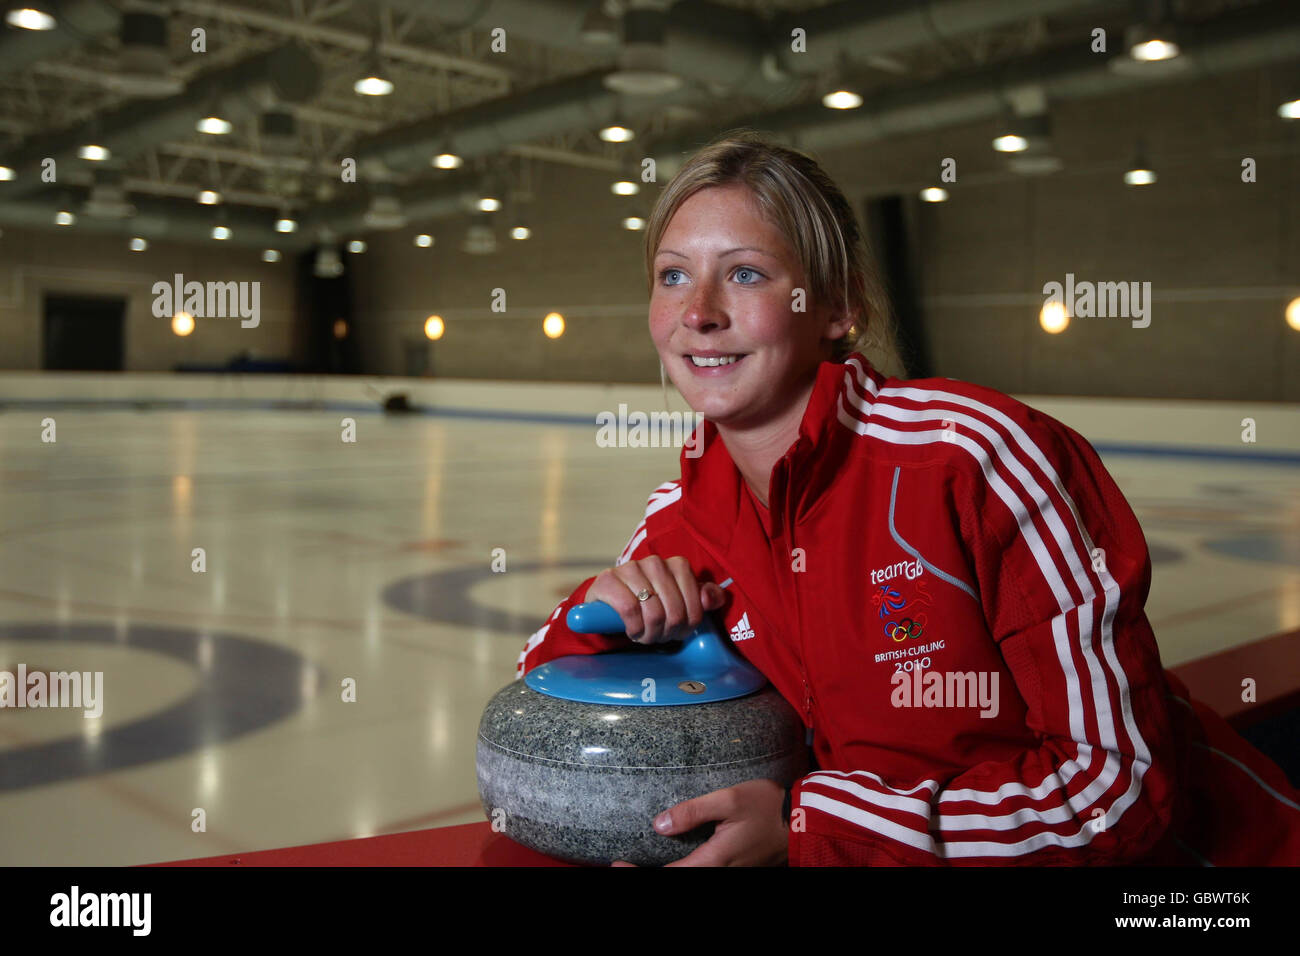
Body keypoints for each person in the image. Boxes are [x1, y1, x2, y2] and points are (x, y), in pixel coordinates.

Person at [516, 130, 1300, 866]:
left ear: (839, 308)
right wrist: (607, 607)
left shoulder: (975, 459)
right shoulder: (682, 520)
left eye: (746, 272)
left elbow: (1118, 794)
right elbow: (536, 687)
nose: (698, 314)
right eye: (673, 275)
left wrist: (812, 826)